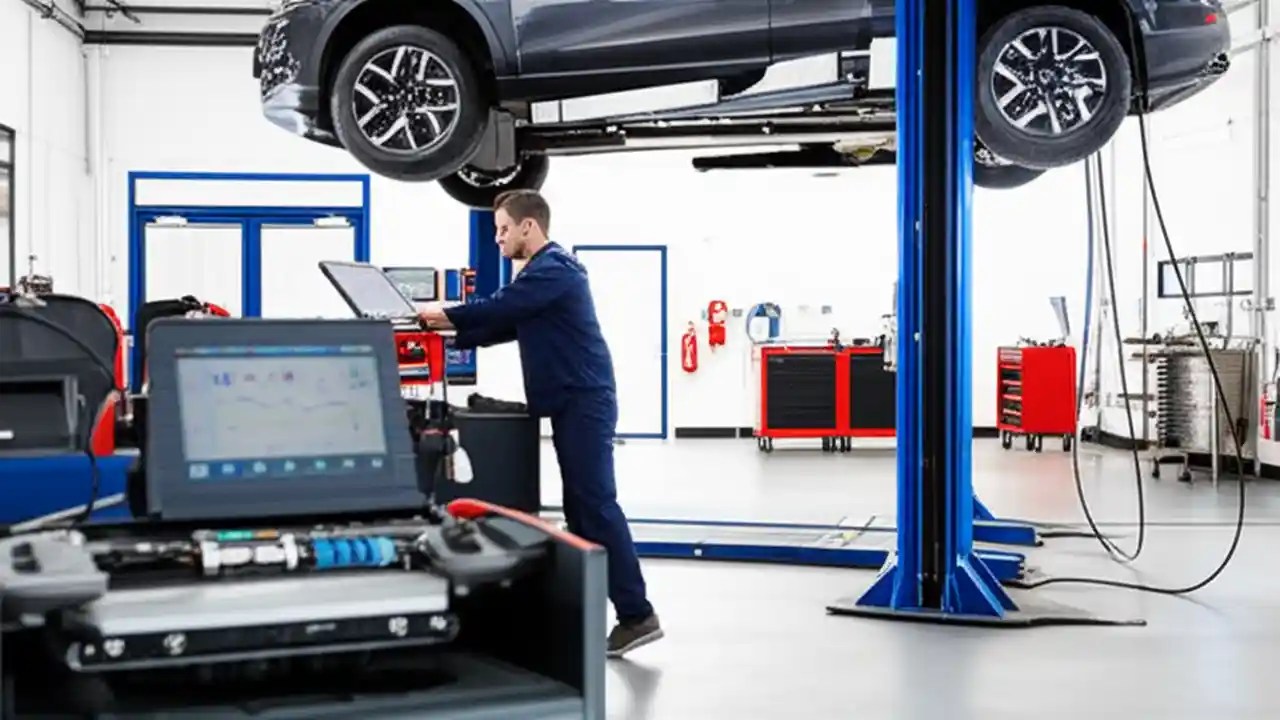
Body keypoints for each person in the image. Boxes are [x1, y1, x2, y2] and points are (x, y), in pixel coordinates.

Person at [417, 189, 663, 658]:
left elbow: (499, 309)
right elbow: (500, 326)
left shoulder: (554, 270)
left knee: (595, 505)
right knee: (581, 507)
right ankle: (611, 611)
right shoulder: (541, 278)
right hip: (574, 400)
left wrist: (442, 315)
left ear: (529, 226)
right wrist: (441, 328)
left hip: (584, 400)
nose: (498, 240)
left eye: (503, 229)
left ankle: (637, 614)